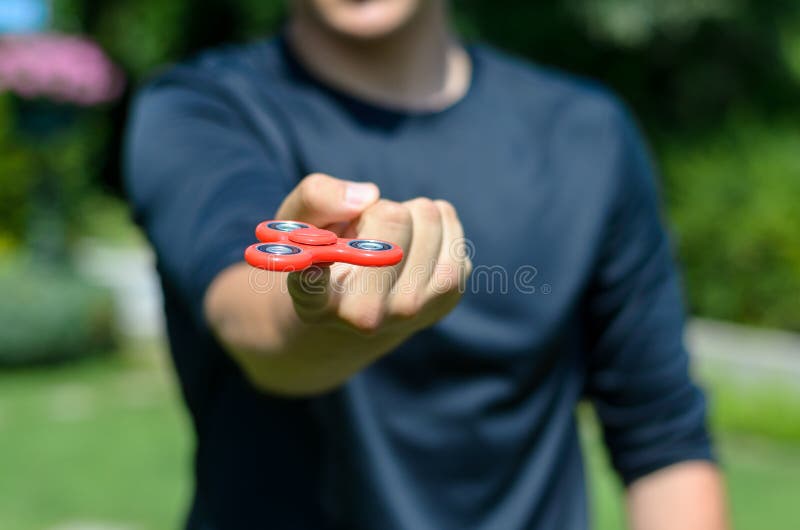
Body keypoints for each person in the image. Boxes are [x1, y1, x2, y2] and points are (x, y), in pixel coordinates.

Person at [124, 1, 729, 528]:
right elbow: (251, 323)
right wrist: (320, 306)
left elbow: (662, 437)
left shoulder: (587, 135)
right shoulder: (198, 110)